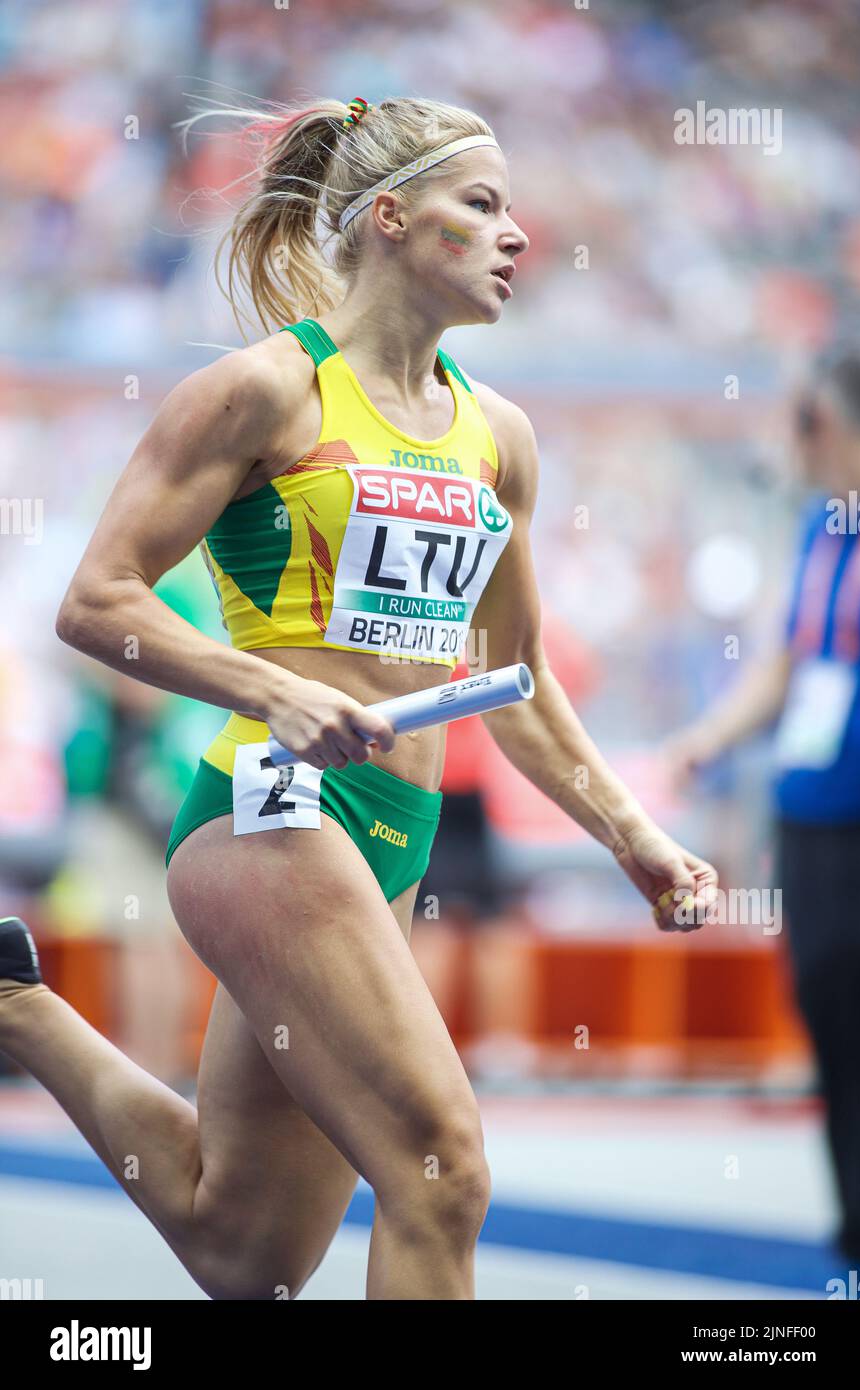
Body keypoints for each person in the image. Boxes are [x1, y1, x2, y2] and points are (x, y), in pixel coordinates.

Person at [0, 94, 717, 1301]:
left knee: (244, 1246)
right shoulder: (265, 393)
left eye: (512, 209)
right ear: (389, 217)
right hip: (268, 818)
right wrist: (265, 685)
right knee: (442, 1171)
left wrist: (635, 837)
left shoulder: (499, 438)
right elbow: (97, 602)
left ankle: (13, 1004)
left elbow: (519, 680)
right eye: (480, 204)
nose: (516, 234)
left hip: (392, 838)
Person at [666, 346, 860, 1271]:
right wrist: (708, 738)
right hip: (815, 808)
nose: (801, 440)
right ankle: (856, 1218)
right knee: (828, 997)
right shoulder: (823, 526)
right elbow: (791, 661)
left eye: (813, 421)